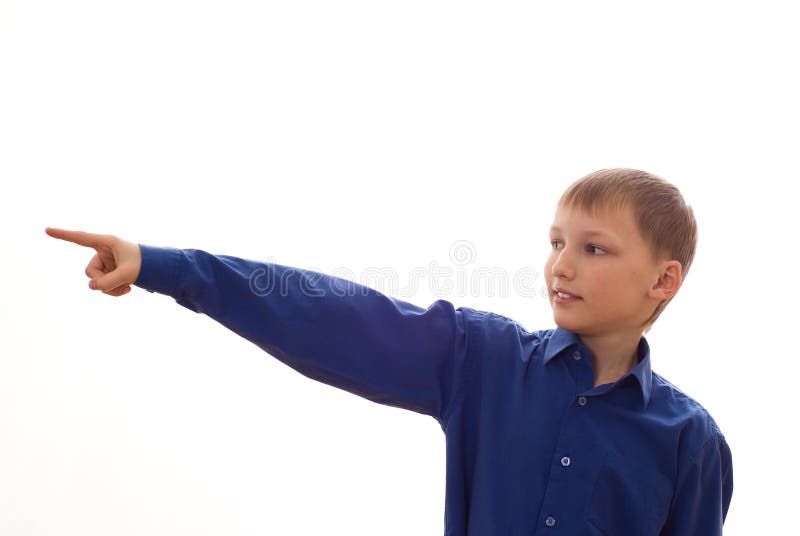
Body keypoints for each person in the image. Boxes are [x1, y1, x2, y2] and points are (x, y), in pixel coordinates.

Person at [45, 168, 733, 535]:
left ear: (663, 279)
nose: (561, 266)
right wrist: (166, 267)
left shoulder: (691, 443)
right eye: (556, 242)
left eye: (593, 249)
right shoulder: (484, 361)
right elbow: (334, 315)